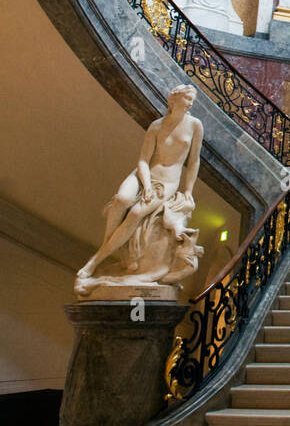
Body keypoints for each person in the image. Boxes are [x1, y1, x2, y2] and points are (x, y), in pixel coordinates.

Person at [75, 85, 203, 292]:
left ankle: (95, 261)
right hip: (143, 175)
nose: (190, 103)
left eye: (192, 100)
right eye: (187, 98)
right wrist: (146, 184)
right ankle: (117, 251)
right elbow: (143, 160)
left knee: (135, 213)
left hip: (167, 182)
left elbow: (194, 161)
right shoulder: (156, 126)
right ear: (175, 99)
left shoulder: (195, 125)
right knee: (121, 201)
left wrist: (188, 190)